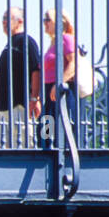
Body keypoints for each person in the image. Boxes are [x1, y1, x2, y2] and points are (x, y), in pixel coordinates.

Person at [0, 8, 41, 148]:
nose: (3, 22)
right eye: (3, 18)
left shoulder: (26, 41)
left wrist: (34, 98)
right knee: (3, 152)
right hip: (4, 107)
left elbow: (36, 70)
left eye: (7, 18)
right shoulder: (10, 43)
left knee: (23, 148)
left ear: (20, 20)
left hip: (19, 106)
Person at [40, 9, 79, 150]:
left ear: (59, 22)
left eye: (47, 19)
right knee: (46, 129)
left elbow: (74, 63)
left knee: (62, 130)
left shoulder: (66, 39)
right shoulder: (53, 43)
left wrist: (59, 84)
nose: (44, 23)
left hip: (62, 93)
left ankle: (63, 161)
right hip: (48, 93)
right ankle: (46, 155)